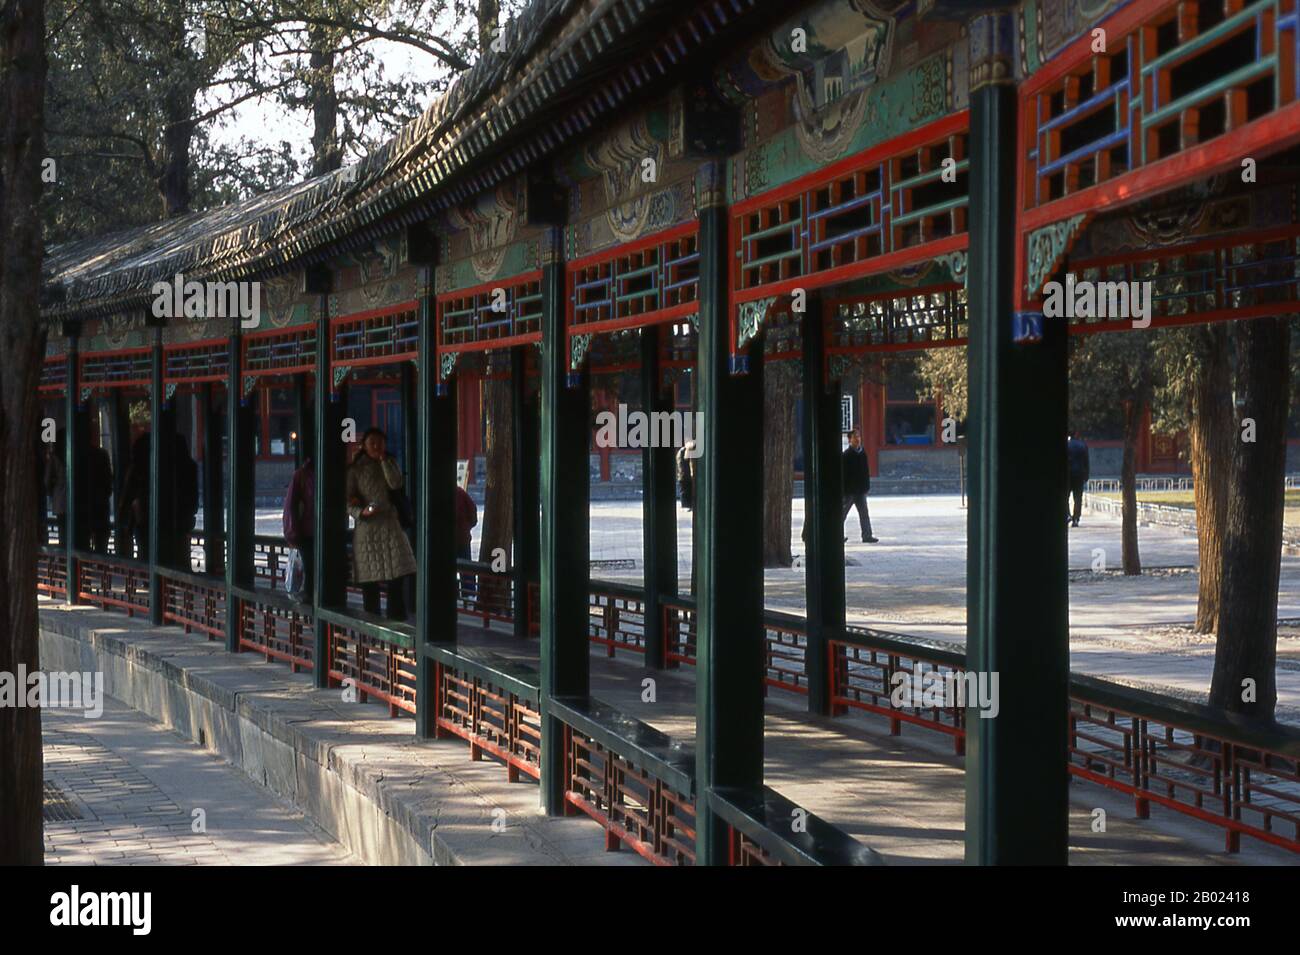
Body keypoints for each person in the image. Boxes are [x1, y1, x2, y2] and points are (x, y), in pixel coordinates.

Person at [347, 427, 416, 620]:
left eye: (380, 442)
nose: (377, 446)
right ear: (364, 446)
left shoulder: (390, 462)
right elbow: (346, 500)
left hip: (391, 525)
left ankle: (397, 620)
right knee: (370, 581)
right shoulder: (355, 469)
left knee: (398, 575)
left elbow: (395, 484)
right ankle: (372, 622)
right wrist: (361, 511)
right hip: (367, 530)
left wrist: (384, 461)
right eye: (372, 443)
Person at [283, 456, 316, 601]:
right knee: (310, 573)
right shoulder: (302, 475)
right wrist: (292, 534)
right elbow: (291, 506)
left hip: (327, 534)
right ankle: (310, 617)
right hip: (307, 534)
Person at [117, 433, 150, 559]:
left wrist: (123, 518)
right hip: (156, 519)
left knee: (144, 551)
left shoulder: (135, 469)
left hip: (141, 519)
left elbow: (127, 495)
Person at [842, 429, 878, 543]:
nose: (857, 439)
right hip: (849, 491)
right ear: (849, 440)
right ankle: (838, 535)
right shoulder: (846, 455)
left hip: (861, 490)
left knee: (864, 514)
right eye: (854, 437)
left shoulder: (862, 453)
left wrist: (866, 486)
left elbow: (866, 472)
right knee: (842, 514)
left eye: (858, 436)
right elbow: (843, 474)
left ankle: (867, 535)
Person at [172, 434, 200, 569]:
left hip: (173, 514)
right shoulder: (191, 465)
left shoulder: (168, 467)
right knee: (183, 547)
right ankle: (184, 573)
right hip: (186, 514)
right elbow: (193, 491)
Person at [84, 439, 114, 554]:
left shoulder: (86, 457)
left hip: (88, 508)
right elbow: (109, 485)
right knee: (101, 542)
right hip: (101, 507)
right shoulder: (102, 455)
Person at [45, 429, 67, 545]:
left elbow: (47, 479)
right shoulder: (72, 454)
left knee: (62, 531)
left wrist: (50, 492)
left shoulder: (54, 458)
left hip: (59, 499)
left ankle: (64, 558)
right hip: (74, 501)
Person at [1067, 430, 1090, 527]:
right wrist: (1086, 475)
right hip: (1079, 474)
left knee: (1065, 497)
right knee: (1078, 498)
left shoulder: (1066, 445)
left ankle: (1067, 515)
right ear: (1077, 434)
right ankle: (1076, 518)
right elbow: (1086, 462)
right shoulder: (1082, 445)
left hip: (1067, 475)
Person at [454, 484, 477, 561]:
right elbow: (472, 510)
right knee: (466, 568)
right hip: (463, 538)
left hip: (460, 538)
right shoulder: (460, 492)